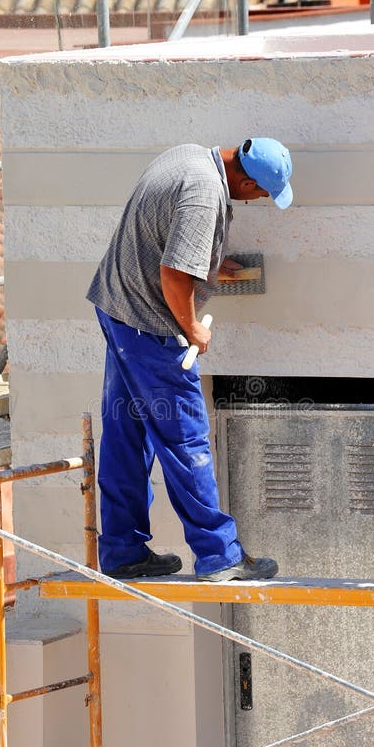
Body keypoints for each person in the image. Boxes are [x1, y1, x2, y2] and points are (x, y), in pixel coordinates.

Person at [86, 138, 293, 581]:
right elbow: (173, 274)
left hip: (119, 310)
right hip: (150, 326)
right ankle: (219, 554)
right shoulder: (205, 194)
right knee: (186, 439)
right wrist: (192, 329)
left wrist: (210, 263)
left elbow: (161, 242)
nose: (257, 200)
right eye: (260, 193)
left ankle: (122, 551)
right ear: (246, 179)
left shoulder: (189, 157)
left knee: (126, 432)